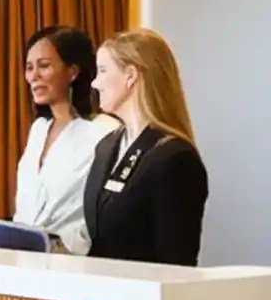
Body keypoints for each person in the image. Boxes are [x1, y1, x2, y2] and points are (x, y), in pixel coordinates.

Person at [84, 28, 209, 266]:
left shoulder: (175, 159)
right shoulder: (106, 146)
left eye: (102, 71)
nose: (94, 83)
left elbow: (176, 263)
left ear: (130, 75)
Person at [13, 25, 117, 254]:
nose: (33, 76)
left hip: (74, 264)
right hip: (24, 263)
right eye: (29, 67)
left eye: (44, 66)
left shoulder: (104, 132)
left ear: (72, 71)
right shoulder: (39, 130)